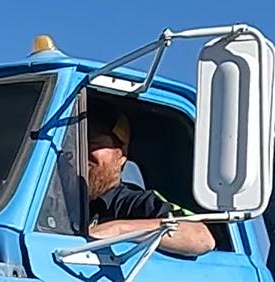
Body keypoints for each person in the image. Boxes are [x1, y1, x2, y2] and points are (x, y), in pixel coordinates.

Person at [86, 108, 216, 257]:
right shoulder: (59, 197)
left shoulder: (132, 202)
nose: (84, 151)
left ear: (121, 155)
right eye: (76, 144)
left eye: (95, 143)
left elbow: (201, 237)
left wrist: (118, 229)